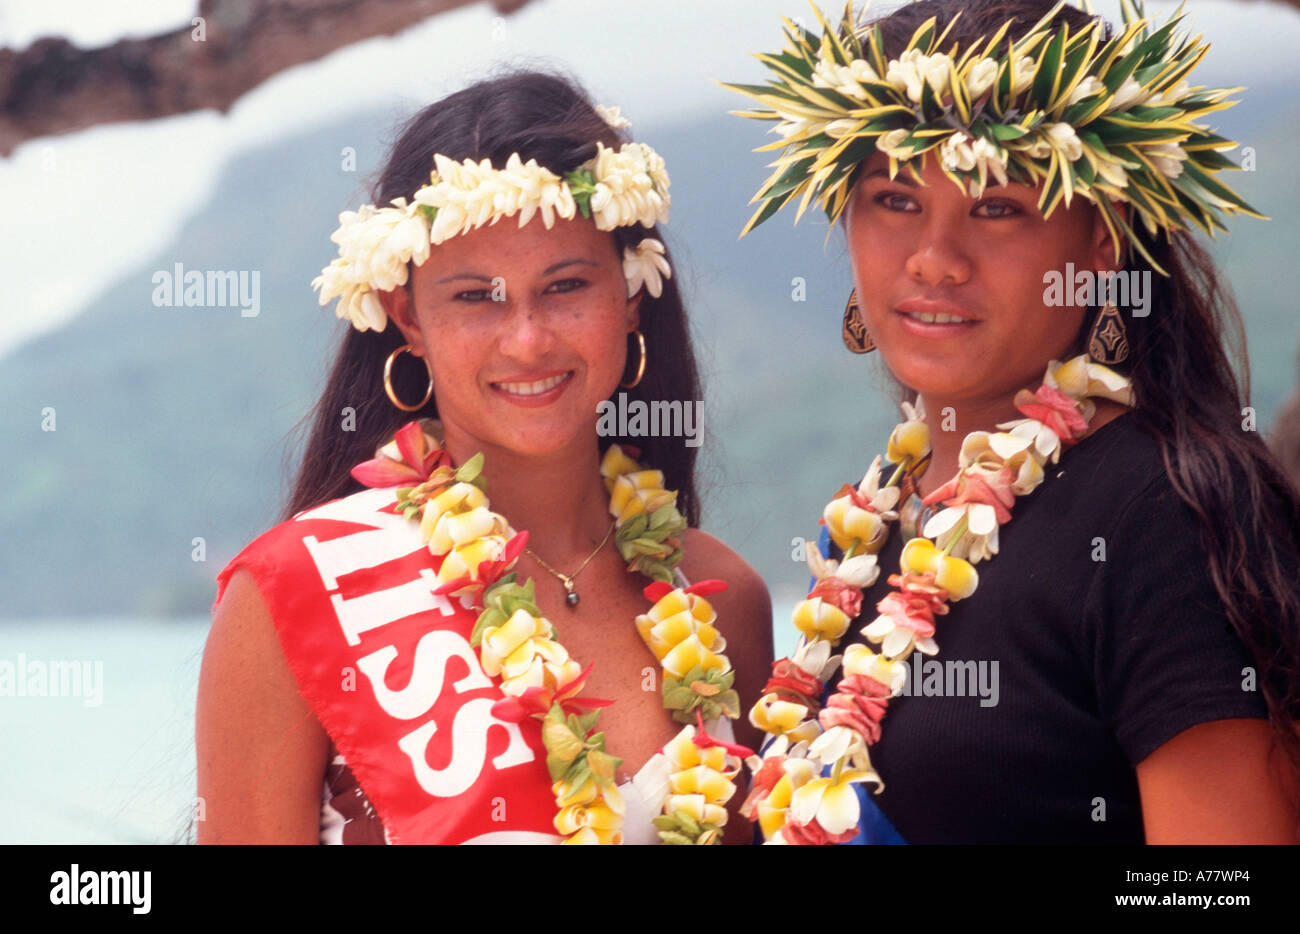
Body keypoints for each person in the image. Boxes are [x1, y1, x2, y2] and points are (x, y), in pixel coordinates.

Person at [725, 0, 1300, 844]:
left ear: (1103, 241)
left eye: (997, 208)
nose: (934, 258)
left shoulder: (1167, 515)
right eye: (894, 199)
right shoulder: (882, 514)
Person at [196, 69, 772, 845]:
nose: (528, 339)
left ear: (630, 298)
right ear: (408, 317)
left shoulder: (722, 598)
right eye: (475, 296)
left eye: (566, 285)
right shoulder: (295, 592)